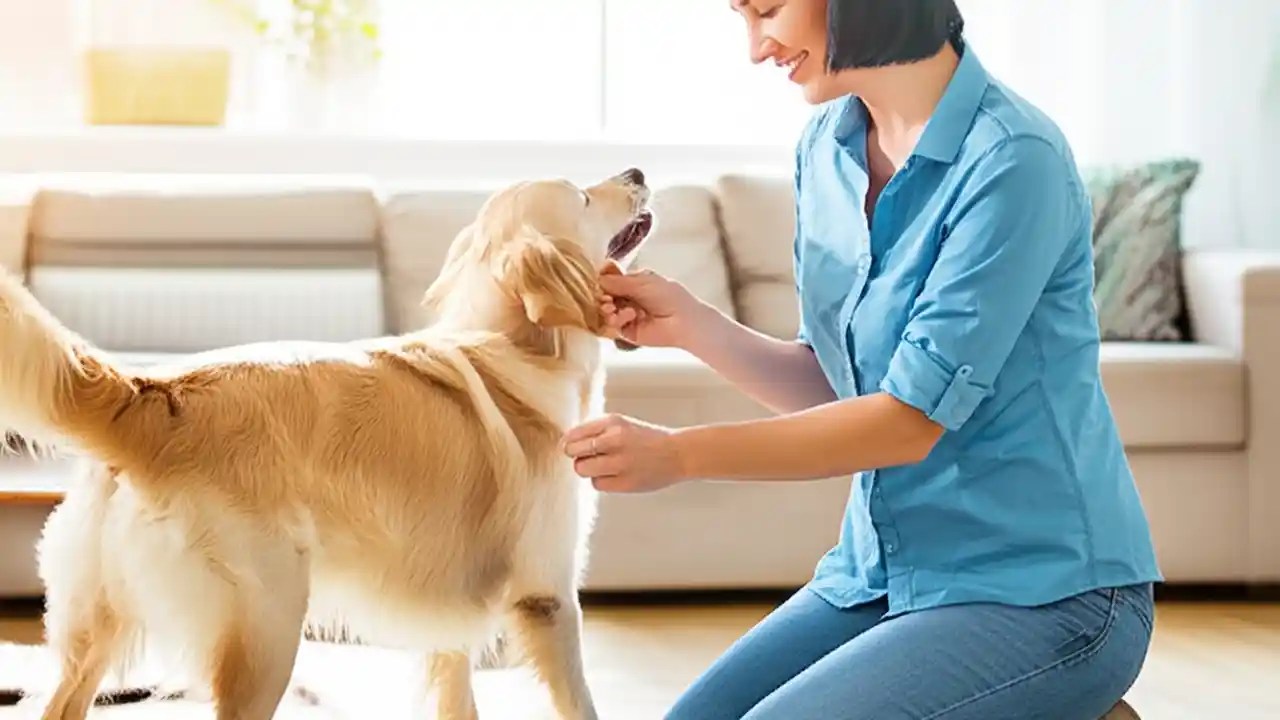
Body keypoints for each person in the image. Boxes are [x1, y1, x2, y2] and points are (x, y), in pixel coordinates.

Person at [560, 1, 1162, 718]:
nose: (757, 48)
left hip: (1044, 589)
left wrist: (681, 455)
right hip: (882, 577)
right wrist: (691, 324)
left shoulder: (1012, 159)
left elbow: (904, 423)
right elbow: (840, 388)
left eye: (768, 9)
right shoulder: (827, 149)